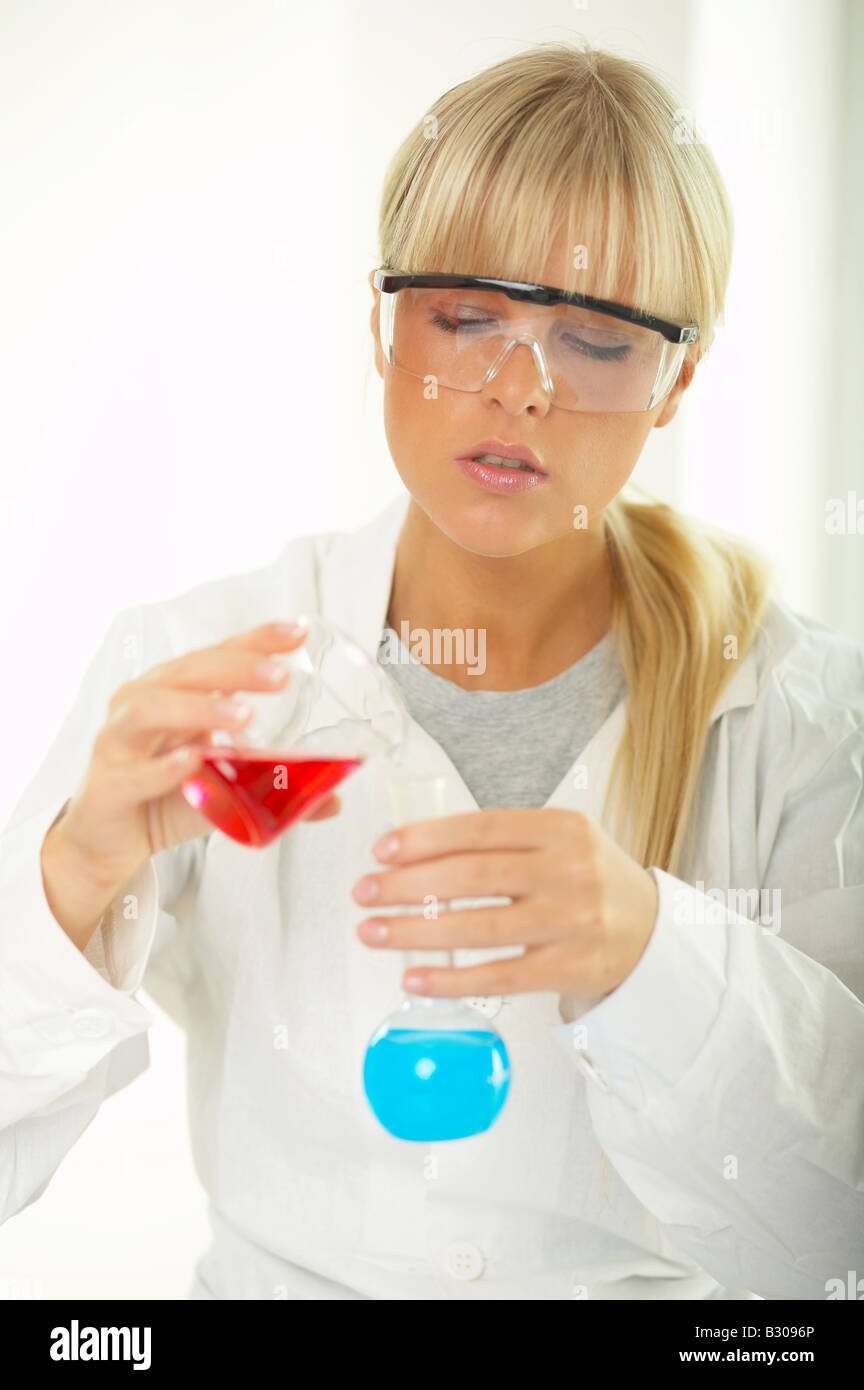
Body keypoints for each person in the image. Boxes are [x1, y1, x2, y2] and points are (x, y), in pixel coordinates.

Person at [1, 40, 862, 1302]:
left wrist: (652, 952)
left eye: (597, 341)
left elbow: (836, 1231)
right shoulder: (199, 672)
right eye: (467, 317)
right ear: (381, 317)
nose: (519, 391)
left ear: (679, 379)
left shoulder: (800, 720)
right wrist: (73, 872)